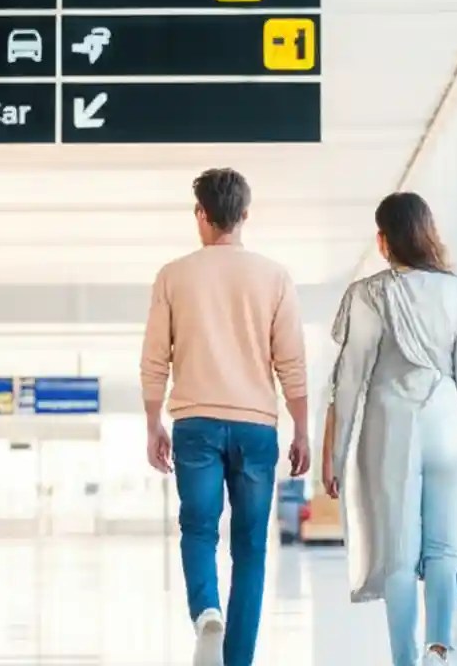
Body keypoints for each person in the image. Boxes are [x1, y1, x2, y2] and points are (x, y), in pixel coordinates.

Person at [141, 167, 311, 666]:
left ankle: (206, 611)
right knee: (251, 547)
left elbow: (155, 359)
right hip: (257, 426)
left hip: (195, 423)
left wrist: (153, 423)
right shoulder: (274, 276)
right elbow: (291, 361)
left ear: (201, 214)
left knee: (198, 528)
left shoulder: (174, 274)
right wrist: (300, 428)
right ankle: (237, 660)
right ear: (244, 215)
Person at [321, 192, 457, 666]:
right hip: (446, 426)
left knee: (399, 552)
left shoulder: (369, 294)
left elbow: (350, 378)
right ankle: (440, 648)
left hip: (391, 428)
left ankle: (406, 659)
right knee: (443, 547)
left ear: (383, 240)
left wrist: (335, 455)